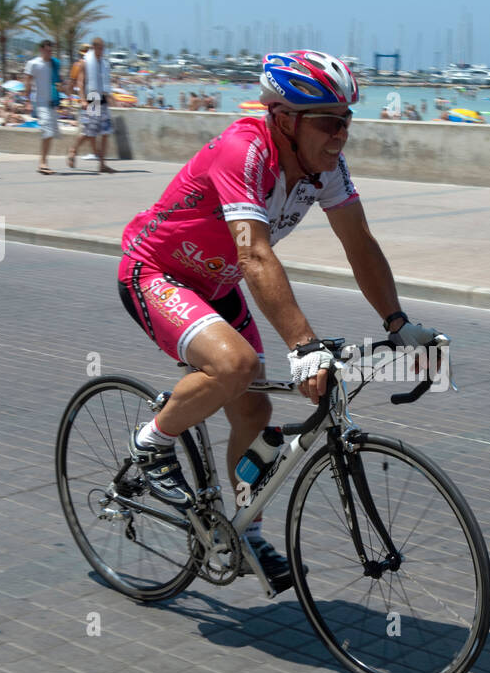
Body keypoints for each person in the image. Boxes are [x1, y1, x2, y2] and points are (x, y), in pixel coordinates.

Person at [116, 49, 443, 593]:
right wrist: (303, 345)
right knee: (235, 364)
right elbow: (256, 256)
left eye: (347, 122)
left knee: (256, 408)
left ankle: (248, 530)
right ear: (285, 119)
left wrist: (397, 322)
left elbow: (359, 243)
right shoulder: (244, 152)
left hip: (216, 286)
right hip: (156, 273)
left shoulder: (326, 168)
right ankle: (152, 441)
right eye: (328, 122)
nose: (340, 135)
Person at [69, 37, 117, 172]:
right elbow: (80, 83)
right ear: (94, 47)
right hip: (93, 98)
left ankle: (102, 164)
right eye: (100, 48)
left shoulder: (104, 63)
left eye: (103, 48)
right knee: (89, 132)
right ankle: (73, 150)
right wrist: (83, 100)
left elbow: (105, 83)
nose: (102, 51)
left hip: (103, 98)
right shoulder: (85, 62)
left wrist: (110, 97)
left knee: (106, 132)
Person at [23, 39, 63, 174]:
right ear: (41, 50)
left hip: (51, 102)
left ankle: (44, 161)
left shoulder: (53, 64)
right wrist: (27, 101)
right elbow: (27, 82)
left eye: (51, 51)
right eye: (47, 50)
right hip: (39, 103)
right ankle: (42, 164)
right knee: (47, 131)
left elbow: (58, 81)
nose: (49, 53)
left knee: (51, 133)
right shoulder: (33, 64)